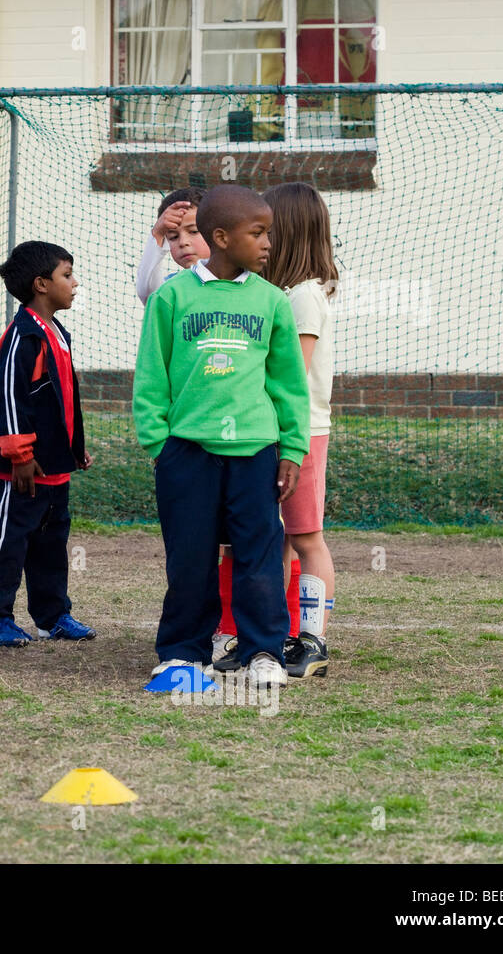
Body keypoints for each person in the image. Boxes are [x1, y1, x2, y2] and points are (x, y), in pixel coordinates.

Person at [133, 184, 310, 688]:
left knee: (257, 555)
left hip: (256, 451)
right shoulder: (172, 296)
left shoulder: (272, 301)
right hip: (187, 454)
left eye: (268, 233)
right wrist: (159, 444)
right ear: (222, 237)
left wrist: (291, 449)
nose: (268, 243)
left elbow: (288, 384)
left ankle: (263, 652)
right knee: (190, 557)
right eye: (258, 233)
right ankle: (183, 652)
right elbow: (151, 376)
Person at [0, 241, 97, 647]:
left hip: (54, 468)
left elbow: (59, 399)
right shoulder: (22, 335)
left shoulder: (56, 332)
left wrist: (73, 450)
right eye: (67, 275)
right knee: (8, 541)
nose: (74, 283)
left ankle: (52, 615)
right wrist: (20, 455)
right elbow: (9, 398)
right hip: (22, 470)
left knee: (51, 545)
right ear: (41, 284)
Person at [261, 182, 339, 678]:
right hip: (281, 431)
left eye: (268, 227)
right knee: (282, 539)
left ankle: (313, 640)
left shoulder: (305, 295)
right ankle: (286, 633)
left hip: (301, 432)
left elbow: (293, 371)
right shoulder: (288, 293)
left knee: (307, 537)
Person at [136, 186, 208, 304]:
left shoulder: (243, 278)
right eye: (173, 237)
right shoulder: (172, 287)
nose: (183, 242)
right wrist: (157, 233)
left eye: (194, 231)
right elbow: (150, 294)